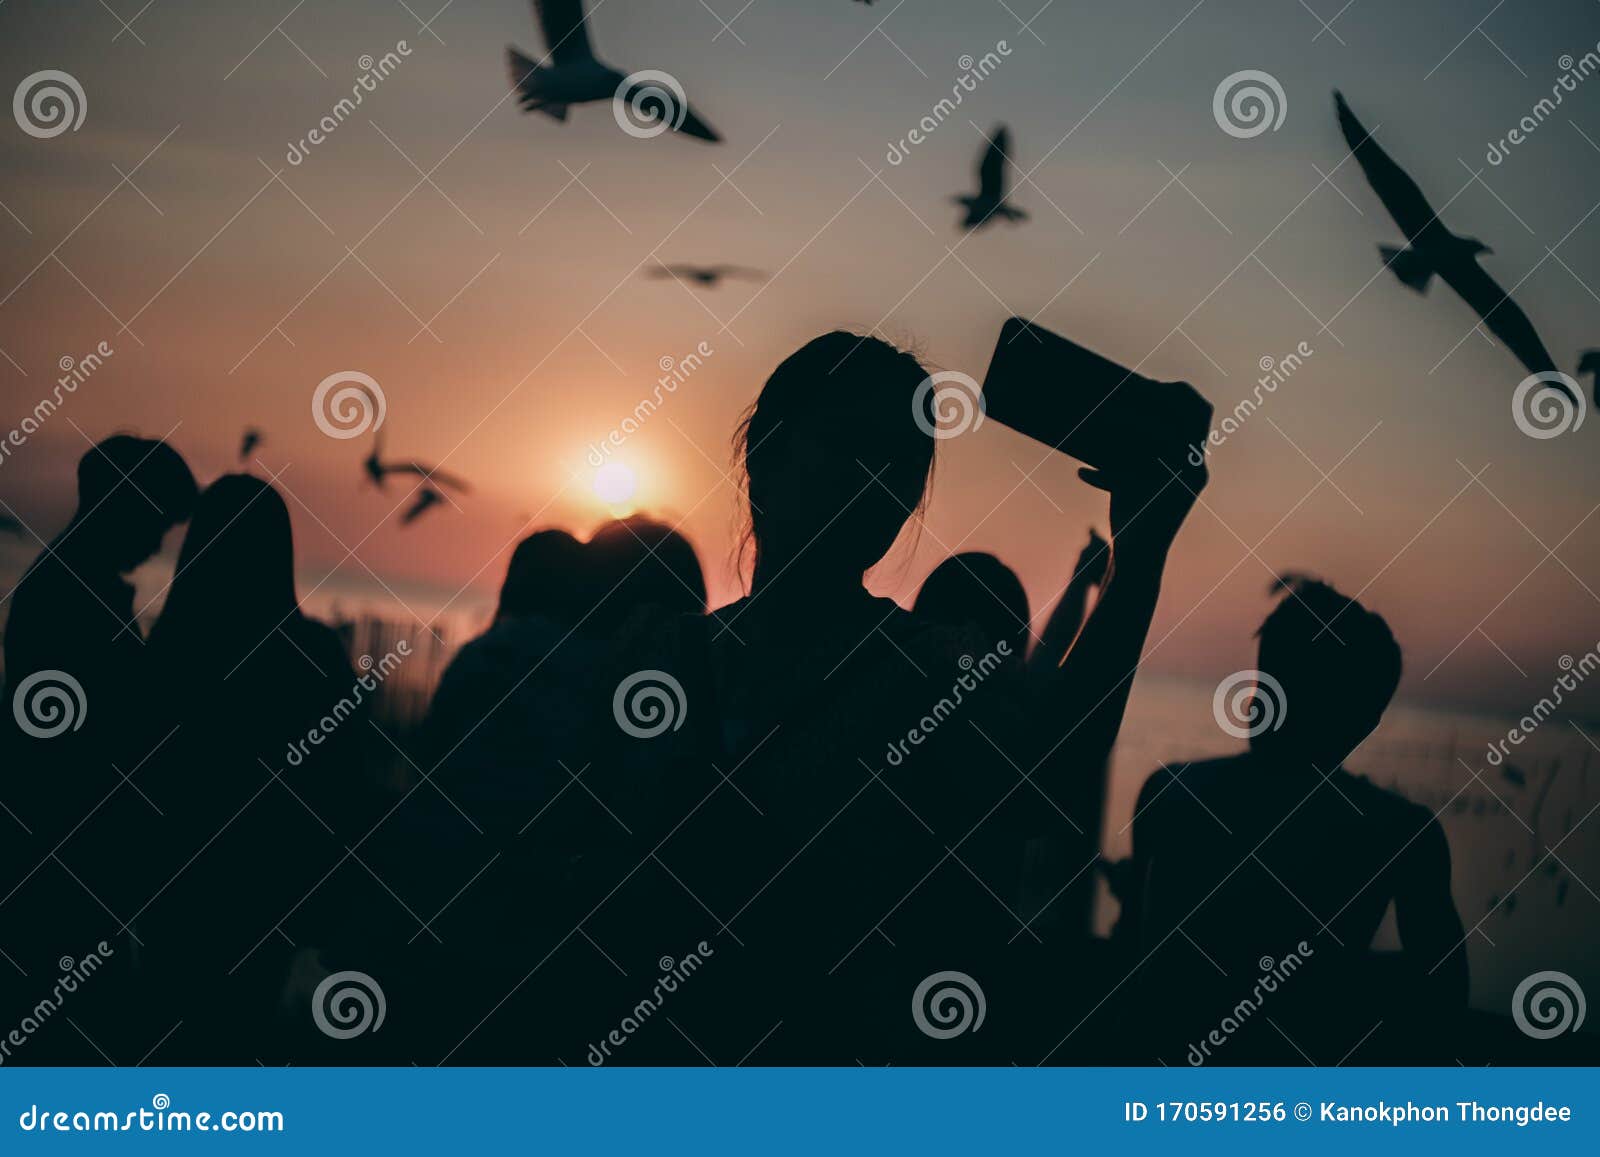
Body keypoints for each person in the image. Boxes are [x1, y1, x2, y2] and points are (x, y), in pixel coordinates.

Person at [593, 331, 1205, 1064]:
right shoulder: (651, 654)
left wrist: (1142, 556)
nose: (876, 480)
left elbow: (1048, 775)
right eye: (850, 444)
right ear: (764, 453)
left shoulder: (930, 673)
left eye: (902, 462)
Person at [1120, 576, 1469, 1062]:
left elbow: (1135, 965)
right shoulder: (1398, 834)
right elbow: (1444, 1001)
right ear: (1367, 722)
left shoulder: (1172, 792)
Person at [132, 475, 373, 1060]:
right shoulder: (315, 656)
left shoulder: (166, 654)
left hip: (177, 894)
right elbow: (345, 787)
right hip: (273, 896)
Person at [3, 436, 196, 832]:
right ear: (126, 510)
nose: (158, 546)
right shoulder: (70, 594)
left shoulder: (66, 582)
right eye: (158, 525)